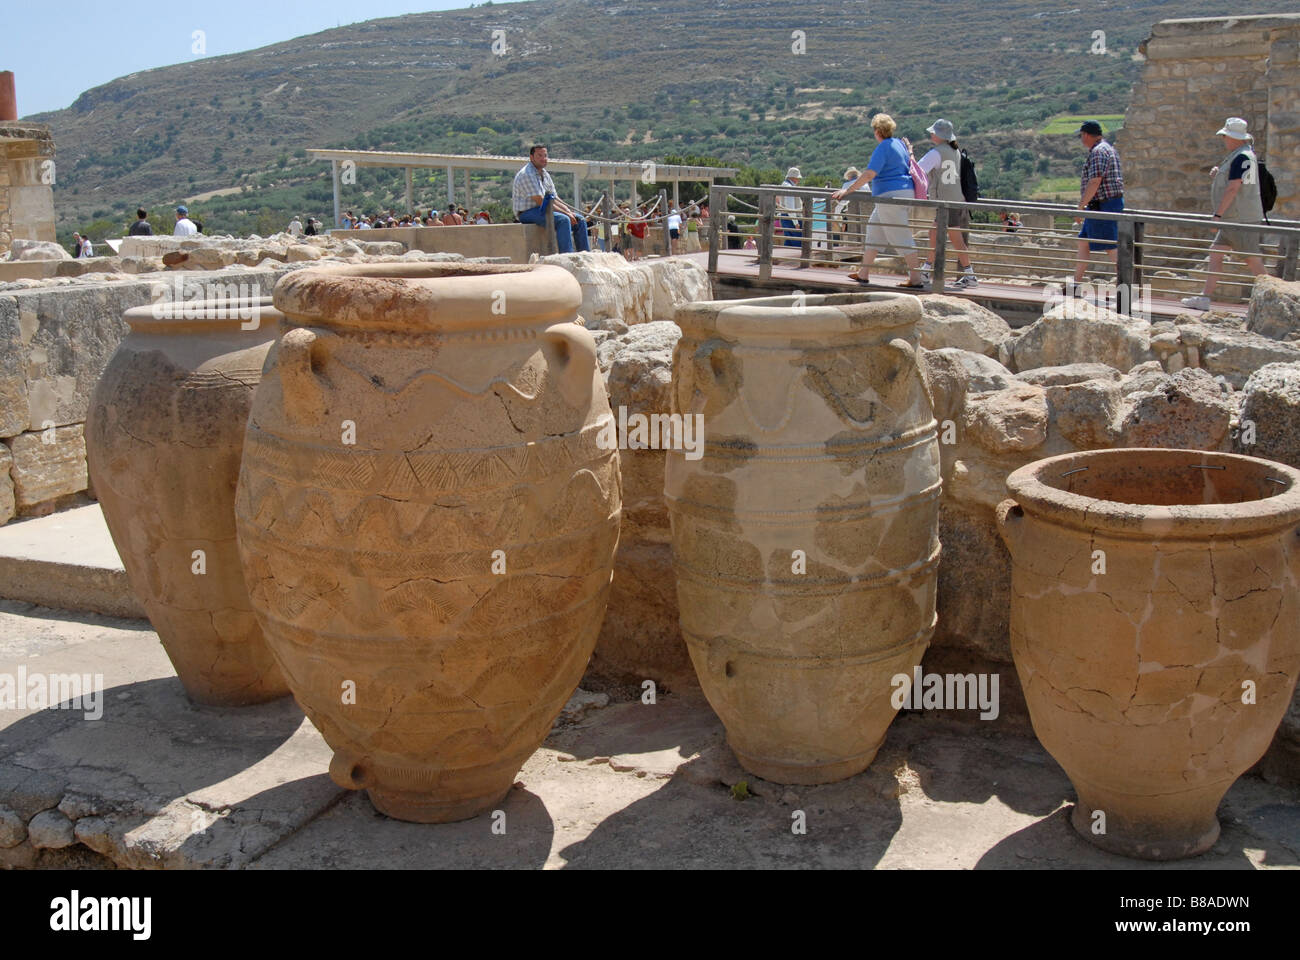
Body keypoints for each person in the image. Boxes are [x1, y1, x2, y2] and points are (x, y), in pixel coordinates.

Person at [1181, 117, 1269, 312]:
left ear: (1234, 137)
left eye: (1226, 136)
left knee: (1252, 260)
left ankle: (1274, 297)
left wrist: (1217, 216)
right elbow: (1236, 180)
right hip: (1236, 217)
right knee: (1216, 252)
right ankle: (1205, 297)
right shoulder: (1242, 155)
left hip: (1238, 218)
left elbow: (1234, 188)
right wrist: (1218, 174)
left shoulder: (1241, 156)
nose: (1224, 140)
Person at [831, 113, 926, 288]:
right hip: (902, 193)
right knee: (874, 230)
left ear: (877, 131)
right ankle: (863, 272)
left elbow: (869, 174)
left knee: (901, 236)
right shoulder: (898, 144)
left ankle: (916, 278)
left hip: (890, 196)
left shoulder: (883, 147)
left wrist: (848, 190)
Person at [915, 119, 979, 289]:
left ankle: (969, 274)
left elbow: (918, 170)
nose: (931, 134)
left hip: (945, 201)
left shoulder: (936, 153)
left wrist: (909, 154)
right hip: (955, 199)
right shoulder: (954, 151)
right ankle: (927, 270)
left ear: (939, 135)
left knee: (953, 238)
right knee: (935, 234)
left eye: (933, 132)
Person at [1071, 120, 1124, 294]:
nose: (1081, 139)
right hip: (1102, 204)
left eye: (1081, 136)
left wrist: (1081, 206)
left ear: (1086, 134)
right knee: (1084, 243)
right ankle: (1075, 284)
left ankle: (1128, 286)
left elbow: (1095, 181)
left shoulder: (1098, 152)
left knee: (1110, 246)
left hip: (1103, 205)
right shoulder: (1107, 149)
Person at [512, 144, 589, 253]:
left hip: (542, 209)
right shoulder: (527, 174)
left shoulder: (545, 174)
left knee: (579, 220)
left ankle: (585, 254)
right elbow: (541, 201)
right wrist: (567, 214)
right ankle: (567, 255)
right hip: (527, 212)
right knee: (563, 220)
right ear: (531, 157)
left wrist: (569, 211)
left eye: (545, 155)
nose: (543, 158)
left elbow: (555, 198)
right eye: (539, 155)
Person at [777, 166, 803, 248]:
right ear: (794, 178)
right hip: (791, 218)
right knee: (798, 243)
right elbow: (790, 207)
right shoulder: (789, 187)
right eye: (797, 178)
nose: (798, 180)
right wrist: (796, 222)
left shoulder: (784, 185)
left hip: (785, 216)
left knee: (789, 241)